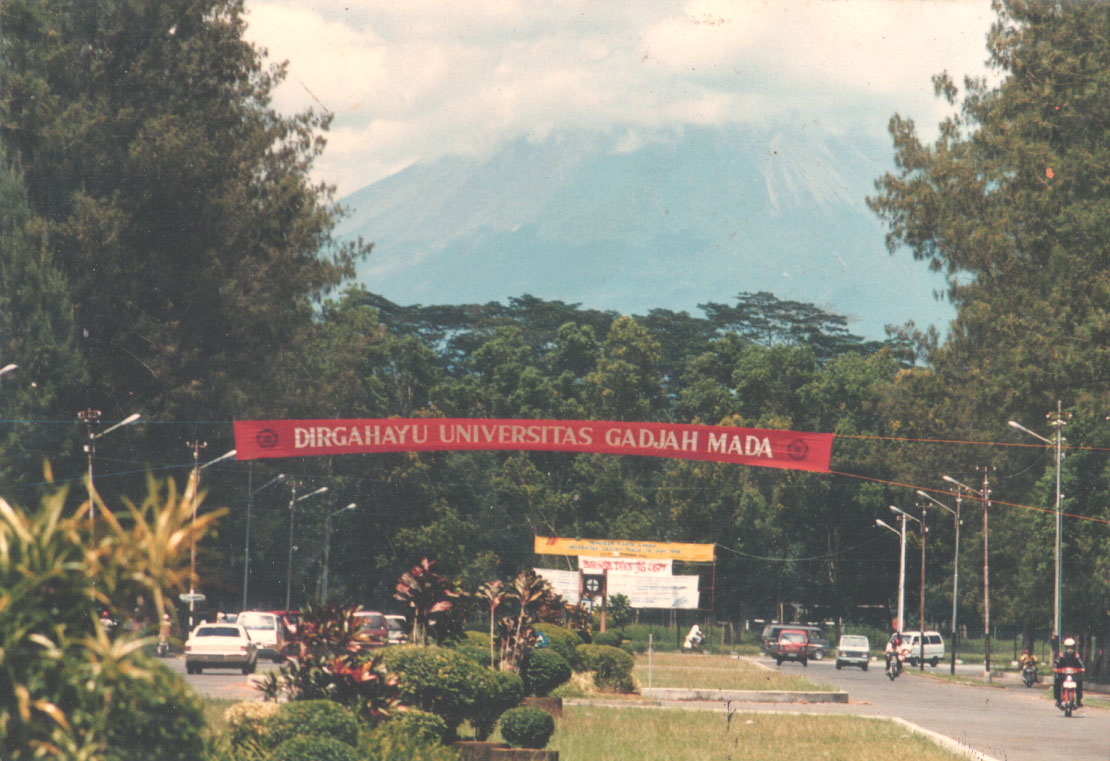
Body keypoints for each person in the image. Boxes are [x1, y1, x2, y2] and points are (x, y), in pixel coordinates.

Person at [1053, 637, 1084, 707]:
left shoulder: (1076, 655)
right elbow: (1056, 662)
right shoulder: (1061, 655)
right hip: (1063, 674)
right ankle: (1058, 700)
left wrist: (1082, 668)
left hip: (1074, 674)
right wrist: (1055, 668)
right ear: (1065, 647)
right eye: (1068, 647)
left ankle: (1078, 700)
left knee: (1079, 683)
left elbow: (1080, 663)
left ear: (1074, 647)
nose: (1069, 649)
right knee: (1057, 682)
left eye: (1071, 647)